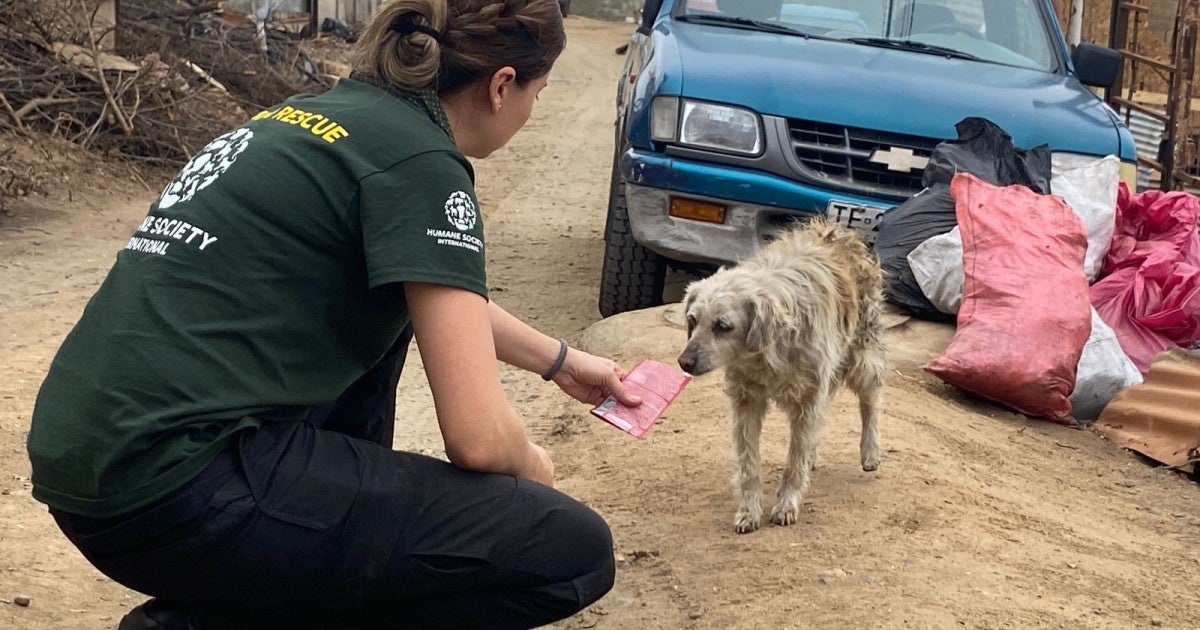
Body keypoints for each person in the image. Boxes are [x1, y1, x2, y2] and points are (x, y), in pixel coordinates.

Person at [25, 0, 642, 627]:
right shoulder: (423, 164)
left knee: (392, 300)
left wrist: (558, 360)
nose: (532, 114)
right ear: (501, 85)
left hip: (87, 465)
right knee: (571, 553)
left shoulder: (315, 115)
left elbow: (434, 289)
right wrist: (534, 468)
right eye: (538, 92)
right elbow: (479, 440)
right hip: (180, 490)